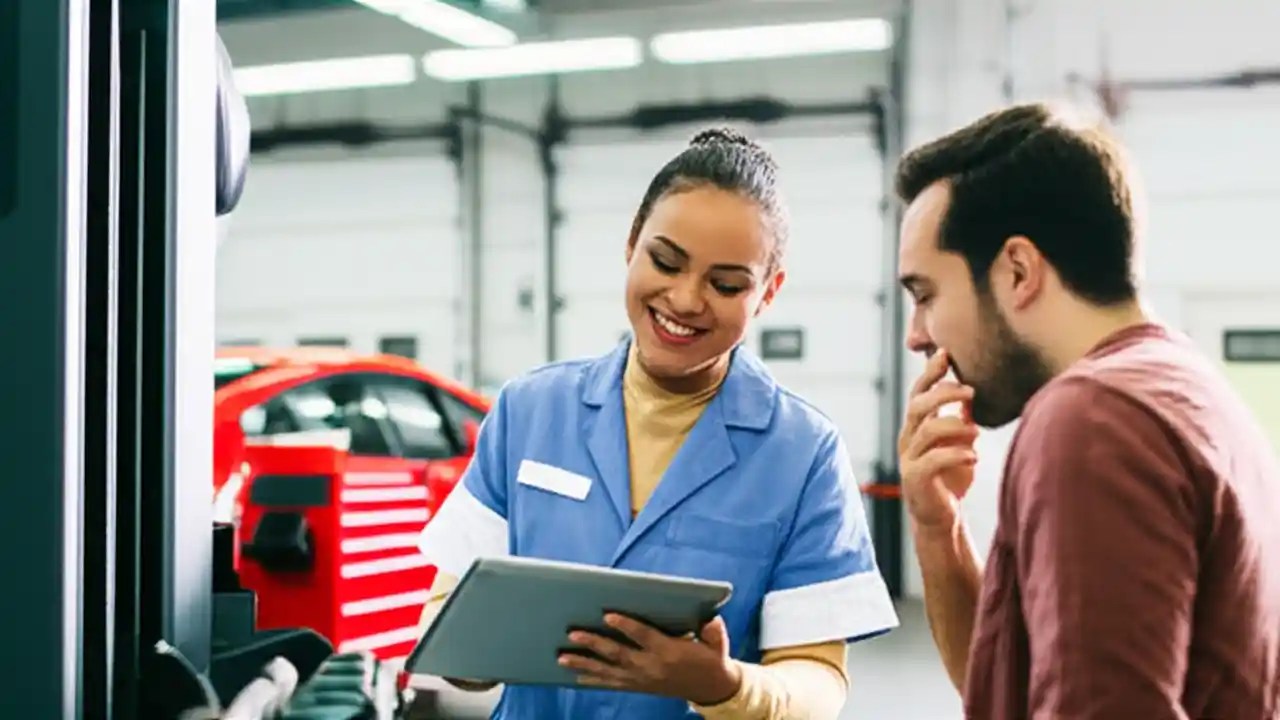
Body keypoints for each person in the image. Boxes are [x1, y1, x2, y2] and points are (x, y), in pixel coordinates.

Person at [414, 127, 899, 719]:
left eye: (726, 284)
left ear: (768, 292)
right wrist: (471, 648)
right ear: (631, 246)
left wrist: (723, 686)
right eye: (666, 262)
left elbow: (819, 680)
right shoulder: (529, 412)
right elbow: (446, 610)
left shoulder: (803, 454)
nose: (686, 299)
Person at [893, 100, 1280, 719]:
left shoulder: (1092, 418)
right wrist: (938, 526)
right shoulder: (1184, 389)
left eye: (926, 294)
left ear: (1017, 270)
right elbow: (1012, 697)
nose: (916, 335)